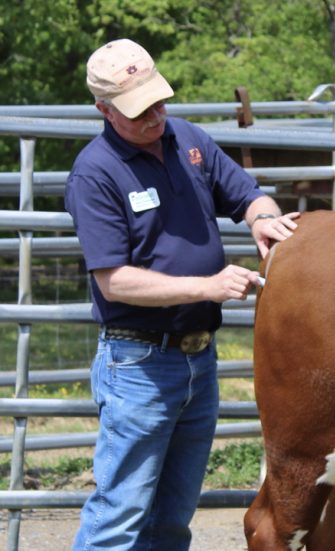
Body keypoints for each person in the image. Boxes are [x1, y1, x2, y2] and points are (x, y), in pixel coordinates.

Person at [65, 38, 299, 550]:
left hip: (196, 360)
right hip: (138, 364)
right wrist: (209, 287)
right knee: (120, 515)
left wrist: (263, 218)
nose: (154, 115)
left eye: (157, 99)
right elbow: (114, 280)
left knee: (172, 517)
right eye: (137, 108)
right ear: (104, 110)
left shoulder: (188, 140)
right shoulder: (96, 172)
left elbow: (246, 193)